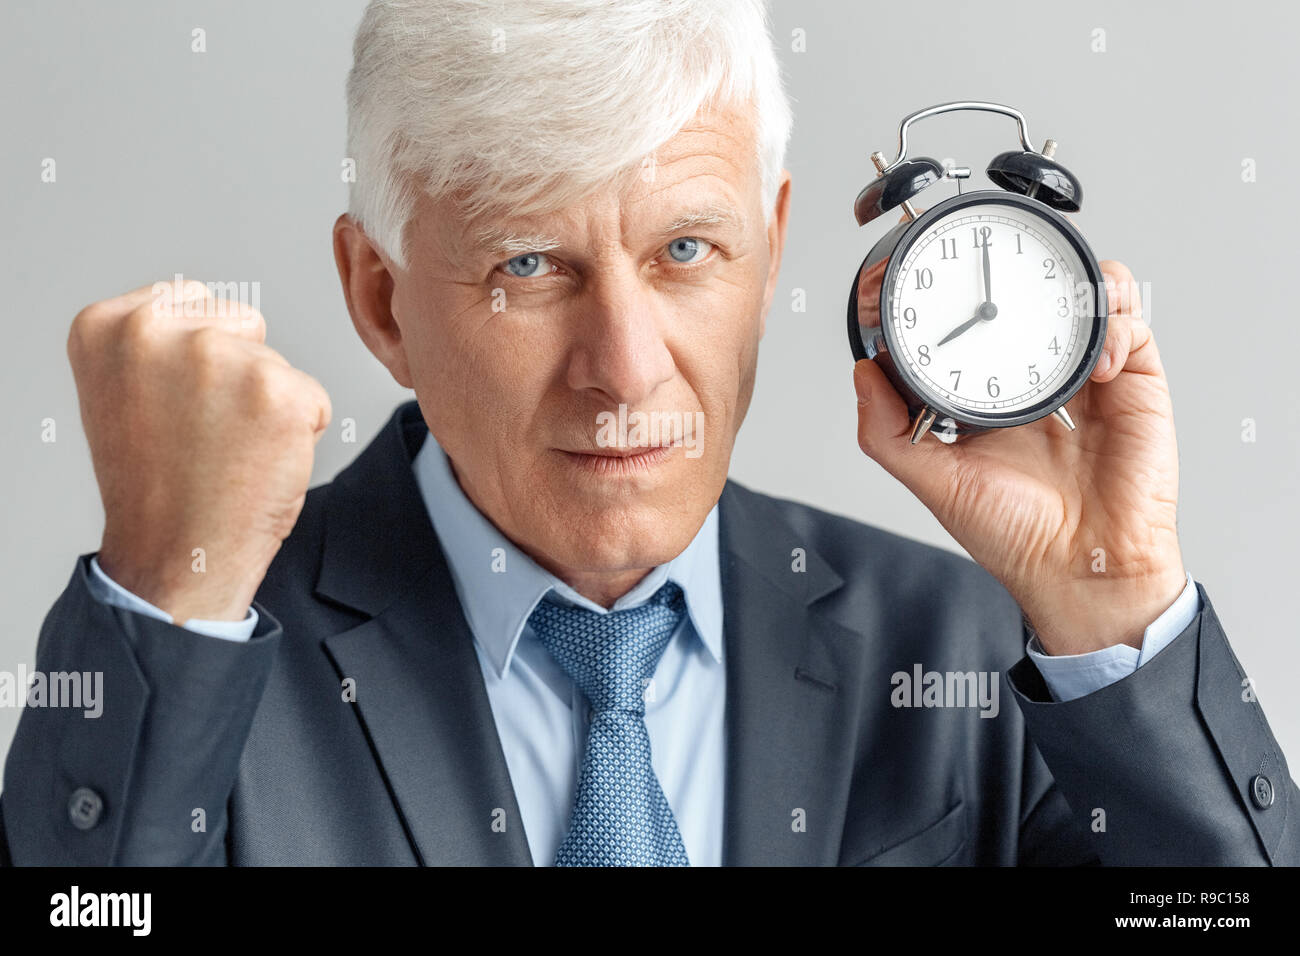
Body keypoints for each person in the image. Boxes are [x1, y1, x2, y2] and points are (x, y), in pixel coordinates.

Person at [2, 0, 1293, 866]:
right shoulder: (204, 674)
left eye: (687, 250)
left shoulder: (978, 661)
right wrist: (160, 609)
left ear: (772, 247)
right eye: (529, 263)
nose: (623, 368)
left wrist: (1118, 607)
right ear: (380, 299)